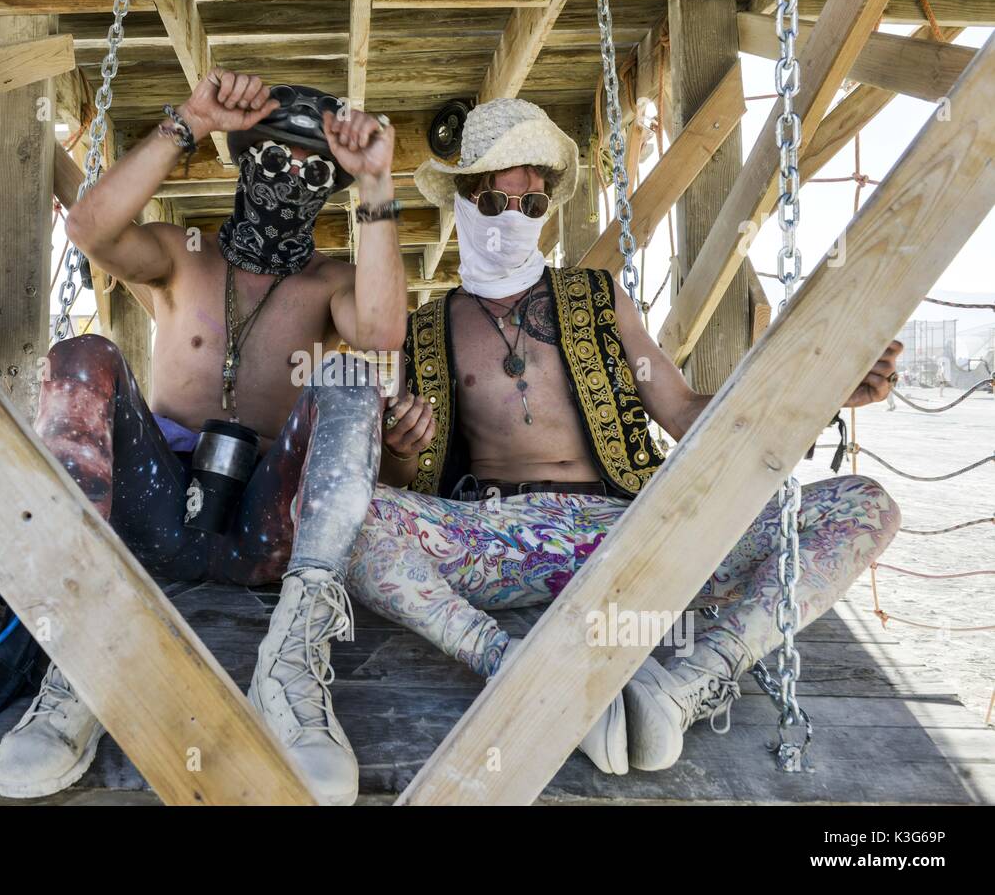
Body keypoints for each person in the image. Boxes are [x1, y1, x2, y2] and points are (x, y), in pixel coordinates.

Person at [343, 97, 902, 778]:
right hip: (494, 538)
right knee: (348, 514)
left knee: (864, 505)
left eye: (531, 206)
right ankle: (510, 664)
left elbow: (687, 414)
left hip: (633, 532)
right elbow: (406, 489)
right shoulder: (426, 327)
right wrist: (401, 450)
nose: (513, 222)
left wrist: (819, 393)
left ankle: (690, 682)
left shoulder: (598, 297)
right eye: (495, 202)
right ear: (463, 200)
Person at [0, 71, 406, 805]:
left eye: (315, 172)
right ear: (242, 162)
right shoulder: (182, 259)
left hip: (262, 532)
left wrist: (375, 185)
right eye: (274, 161)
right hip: (153, 516)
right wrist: (186, 123)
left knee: (350, 380)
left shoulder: (325, 285)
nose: (291, 180)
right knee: (84, 354)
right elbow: (89, 229)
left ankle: (291, 667)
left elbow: (379, 332)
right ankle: (81, 656)